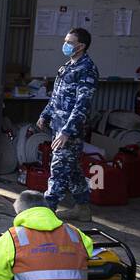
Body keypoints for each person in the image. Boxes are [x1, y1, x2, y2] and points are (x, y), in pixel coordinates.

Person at [37, 26, 99, 220]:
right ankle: (83, 209)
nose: (65, 45)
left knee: (58, 169)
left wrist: (67, 131)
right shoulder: (67, 67)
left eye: (69, 42)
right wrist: (45, 114)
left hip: (69, 130)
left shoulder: (87, 69)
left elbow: (83, 104)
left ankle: (47, 212)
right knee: (72, 170)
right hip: (58, 125)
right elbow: (56, 96)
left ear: (80, 46)